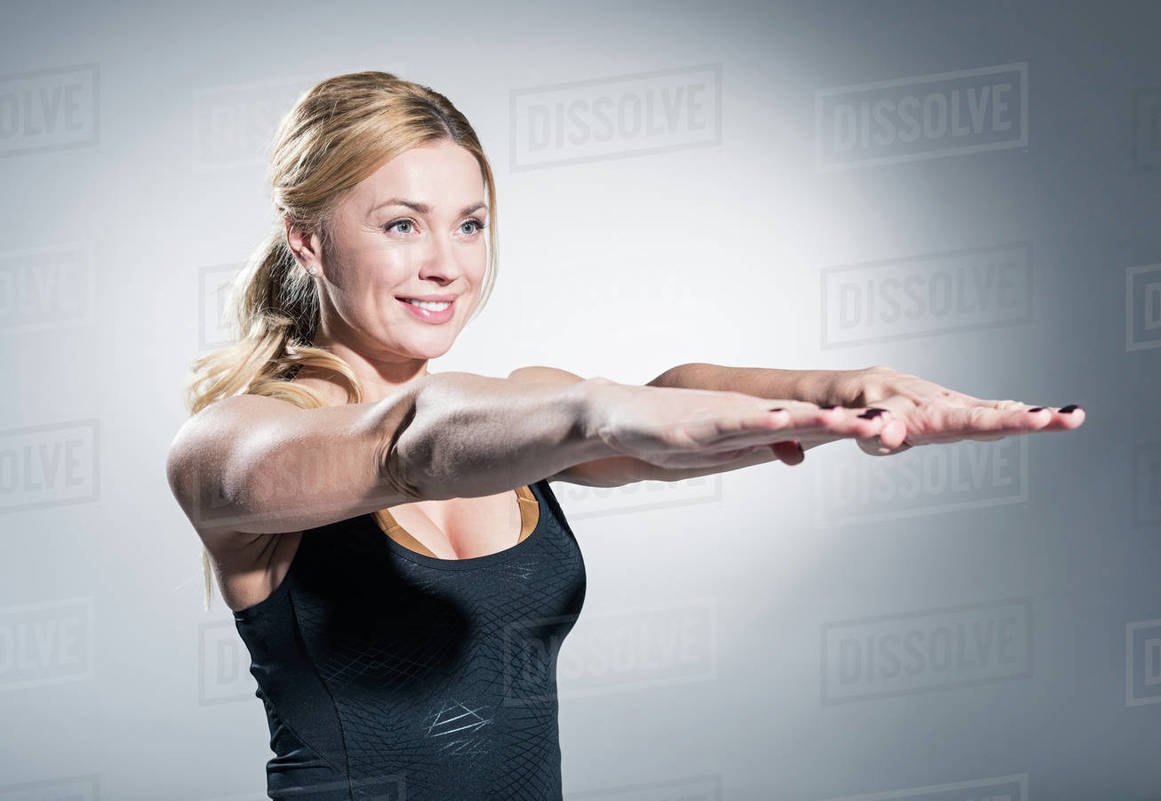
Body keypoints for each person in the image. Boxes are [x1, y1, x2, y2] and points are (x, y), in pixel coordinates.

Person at [164, 71, 1084, 801]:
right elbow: (409, 445)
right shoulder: (235, 442)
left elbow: (660, 406)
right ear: (309, 242)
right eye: (401, 225)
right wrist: (595, 413)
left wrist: (842, 392)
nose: (446, 264)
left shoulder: (517, 410)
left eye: (470, 224)